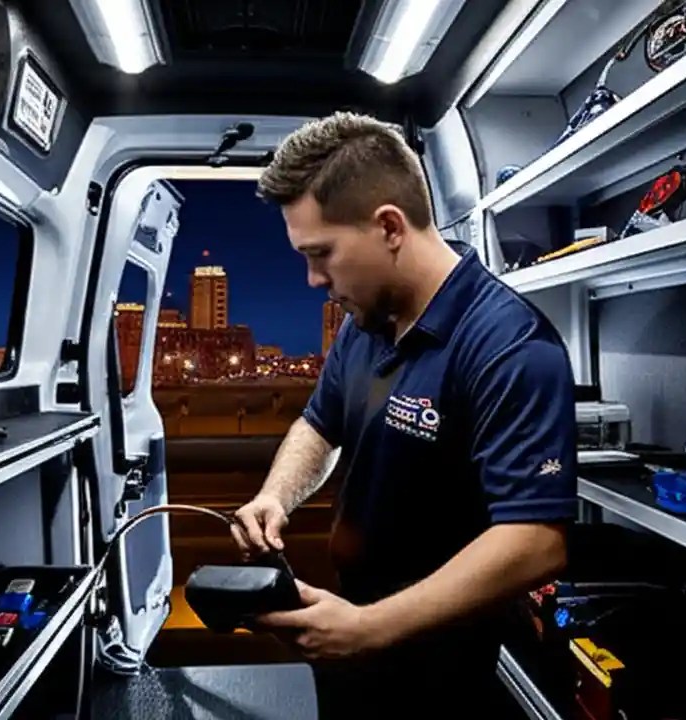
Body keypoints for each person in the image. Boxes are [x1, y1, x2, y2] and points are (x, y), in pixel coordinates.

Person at [231, 111, 577, 718]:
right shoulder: (365, 323)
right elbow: (320, 423)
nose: (314, 280)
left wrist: (369, 628)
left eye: (323, 255)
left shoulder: (509, 345)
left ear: (389, 226)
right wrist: (275, 497)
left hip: (441, 654)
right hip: (354, 622)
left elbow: (536, 541)